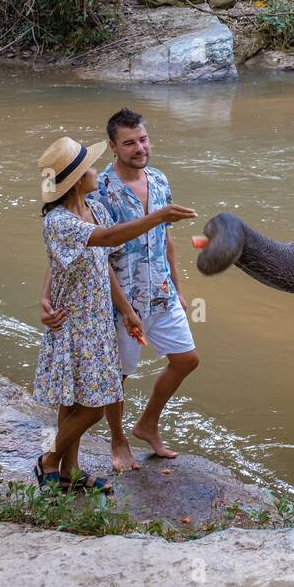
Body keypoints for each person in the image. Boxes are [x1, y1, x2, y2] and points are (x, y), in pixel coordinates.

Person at [40, 108, 200, 470]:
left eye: (143, 139)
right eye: (129, 143)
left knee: (187, 359)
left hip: (159, 292)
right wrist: (46, 295)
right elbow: (91, 249)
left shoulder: (159, 180)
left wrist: (177, 285)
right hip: (117, 300)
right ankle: (116, 442)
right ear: (113, 147)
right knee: (116, 379)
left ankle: (147, 425)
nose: (139, 148)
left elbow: (166, 239)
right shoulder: (99, 192)